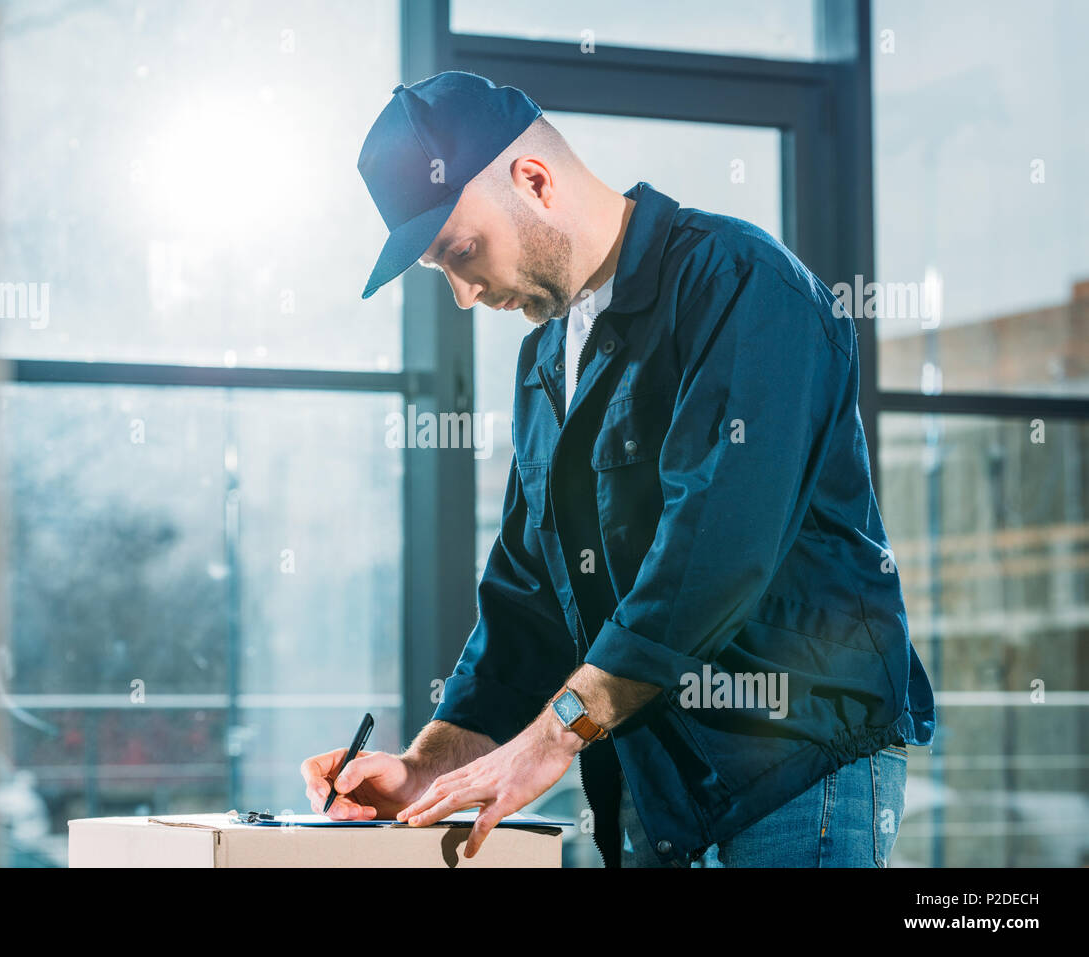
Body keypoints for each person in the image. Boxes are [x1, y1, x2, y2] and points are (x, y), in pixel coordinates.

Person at [300, 71, 936, 867]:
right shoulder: (546, 358)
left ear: (533, 180)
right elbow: (526, 600)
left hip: (794, 770)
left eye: (462, 252)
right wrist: (424, 765)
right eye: (442, 271)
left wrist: (554, 733)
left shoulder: (740, 282)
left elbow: (716, 550)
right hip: (655, 796)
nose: (463, 294)